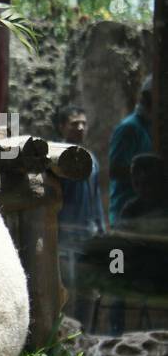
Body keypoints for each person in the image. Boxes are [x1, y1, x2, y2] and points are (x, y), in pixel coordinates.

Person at [55, 105, 105, 239]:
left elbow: (96, 197)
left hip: (88, 231)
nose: (81, 128)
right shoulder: (56, 159)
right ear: (62, 127)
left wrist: (100, 228)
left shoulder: (91, 159)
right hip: (66, 233)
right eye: (74, 124)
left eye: (84, 123)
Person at [108, 77, 153, 226]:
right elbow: (115, 169)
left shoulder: (151, 128)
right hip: (126, 214)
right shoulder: (129, 128)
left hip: (147, 215)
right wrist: (150, 176)